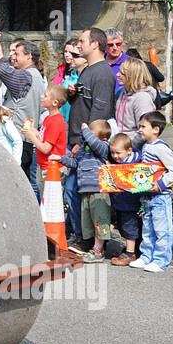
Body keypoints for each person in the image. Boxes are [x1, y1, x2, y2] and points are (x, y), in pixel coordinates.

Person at [67, 28, 116, 243]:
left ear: (95, 44)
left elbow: (100, 113)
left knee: (77, 191)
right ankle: (81, 236)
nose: (78, 45)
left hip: (87, 145)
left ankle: (86, 239)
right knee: (73, 191)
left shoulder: (103, 74)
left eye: (82, 41)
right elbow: (84, 104)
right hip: (79, 141)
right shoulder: (87, 69)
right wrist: (72, 96)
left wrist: (82, 142)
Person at [0, 31, 46, 194]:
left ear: (29, 56)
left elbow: (2, 69)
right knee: (26, 183)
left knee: (17, 186)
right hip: (26, 139)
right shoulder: (37, 76)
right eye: (11, 52)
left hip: (16, 140)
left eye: (16, 53)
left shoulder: (26, 77)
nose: (12, 56)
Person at [128, 111, 173, 272]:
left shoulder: (160, 148)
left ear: (155, 129)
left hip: (160, 196)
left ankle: (161, 260)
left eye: (144, 126)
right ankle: (146, 256)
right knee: (148, 228)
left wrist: (161, 184)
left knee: (161, 229)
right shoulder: (146, 146)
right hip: (147, 196)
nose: (140, 129)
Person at [59, 119, 113, 262]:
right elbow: (75, 163)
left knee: (100, 220)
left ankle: (99, 251)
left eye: (91, 134)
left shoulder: (103, 148)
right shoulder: (85, 149)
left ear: (103, 137)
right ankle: (93, 247)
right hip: (85, 191)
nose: (87, 136)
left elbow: (96, 144)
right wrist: (60, 159)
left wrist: (85, 130)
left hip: (98, 191)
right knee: (88, 222)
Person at [22, 84, 68, 195]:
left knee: (49, 203)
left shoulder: (56, 121)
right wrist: (32, 130)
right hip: (46, 167)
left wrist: (31, 137)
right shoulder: (48, 118)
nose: (42, 96)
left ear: (55, 103)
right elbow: (43, 138)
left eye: (45, 96)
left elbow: (46, 148)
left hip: (53, 169)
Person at [107, 133, 144, 267]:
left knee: (130, 228)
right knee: (126, 228)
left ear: (129, 151)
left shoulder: (133, 164)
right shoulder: (119, 163)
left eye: (118, 153)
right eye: (112, 153)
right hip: (122, 203)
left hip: (130, 203)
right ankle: (132, 250)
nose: (115, 156)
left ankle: (130, 254)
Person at [114, 57, 158, 145]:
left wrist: (128, 146)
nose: (118, 74)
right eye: (119, 71)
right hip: (119, 145)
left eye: (122, 73)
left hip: (132, 148)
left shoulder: (142, 99)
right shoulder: (121, 92)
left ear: (132, 76)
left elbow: (145, 131)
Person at [104, 28, 127, 94]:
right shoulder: (99, 62)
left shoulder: (130, 63)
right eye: (110, 45)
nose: (115, 48)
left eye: (118, 44)